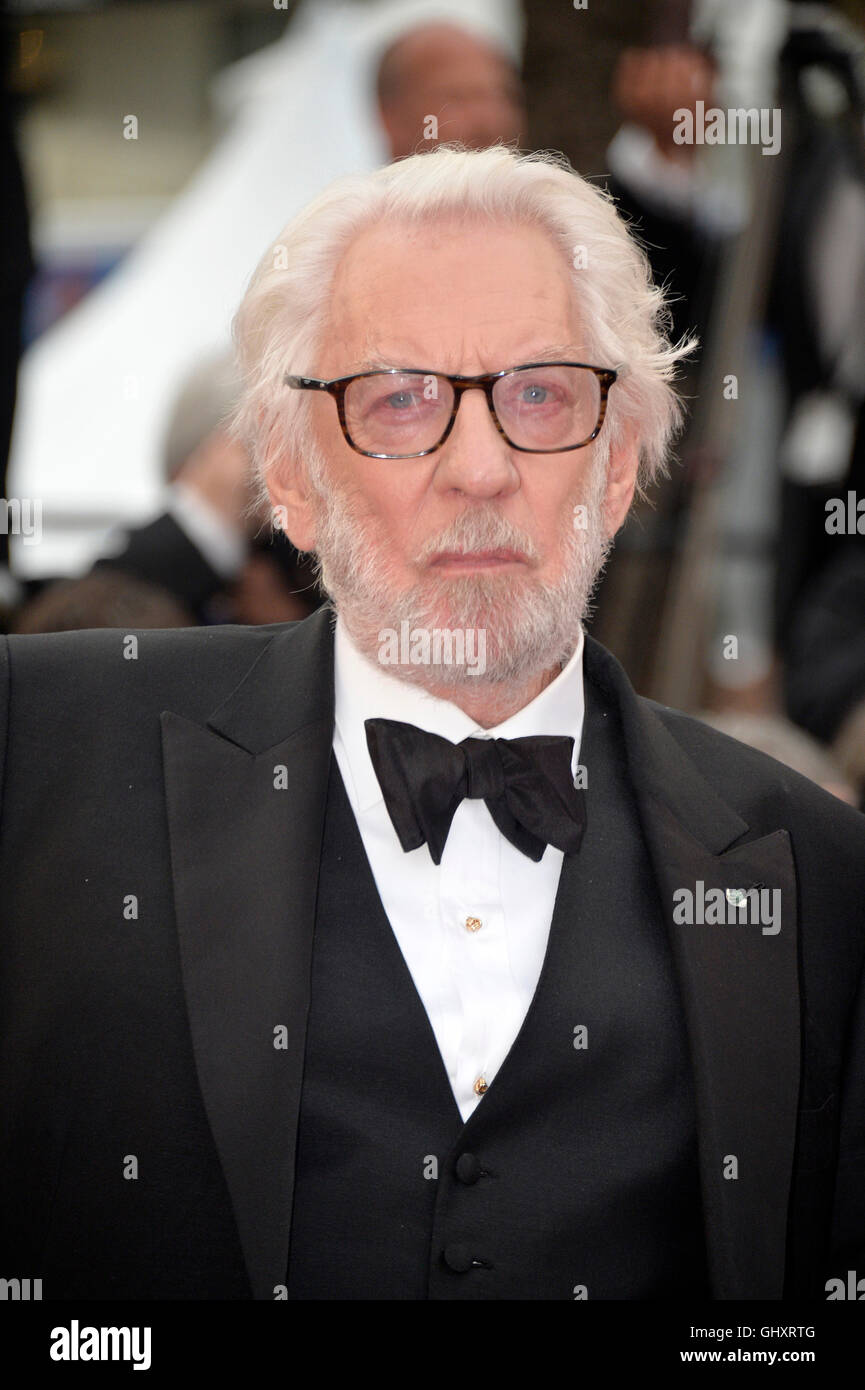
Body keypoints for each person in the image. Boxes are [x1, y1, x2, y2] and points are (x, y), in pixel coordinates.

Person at [0, 144, 863, 1301]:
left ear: (615, 470)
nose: (479, 466)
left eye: (540, 394)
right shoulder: (41, 756)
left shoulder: (815, 873)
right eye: (402, 399)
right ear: (295, 481)